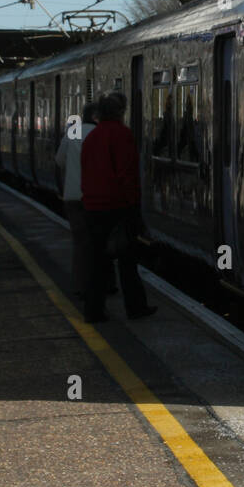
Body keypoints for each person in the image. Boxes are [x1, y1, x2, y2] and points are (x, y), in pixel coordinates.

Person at [80, 92, 155, 322]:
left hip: (92, 207)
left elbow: (85, 170)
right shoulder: (122, 135)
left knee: (97, 263)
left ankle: (93, 311)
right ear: (119, 113)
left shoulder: (91, 137)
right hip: (118, 208)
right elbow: (127, 175)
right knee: (127, 262)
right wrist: (134, 210)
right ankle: (135, 307)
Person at [55, 101, 97, 296]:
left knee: (79, 244)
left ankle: (80, 286)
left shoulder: (74, 132)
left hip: (72, 196)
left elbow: (59, 160)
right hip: (95, 197)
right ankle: (99, 284)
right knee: (97, 243)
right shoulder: (100, 134)